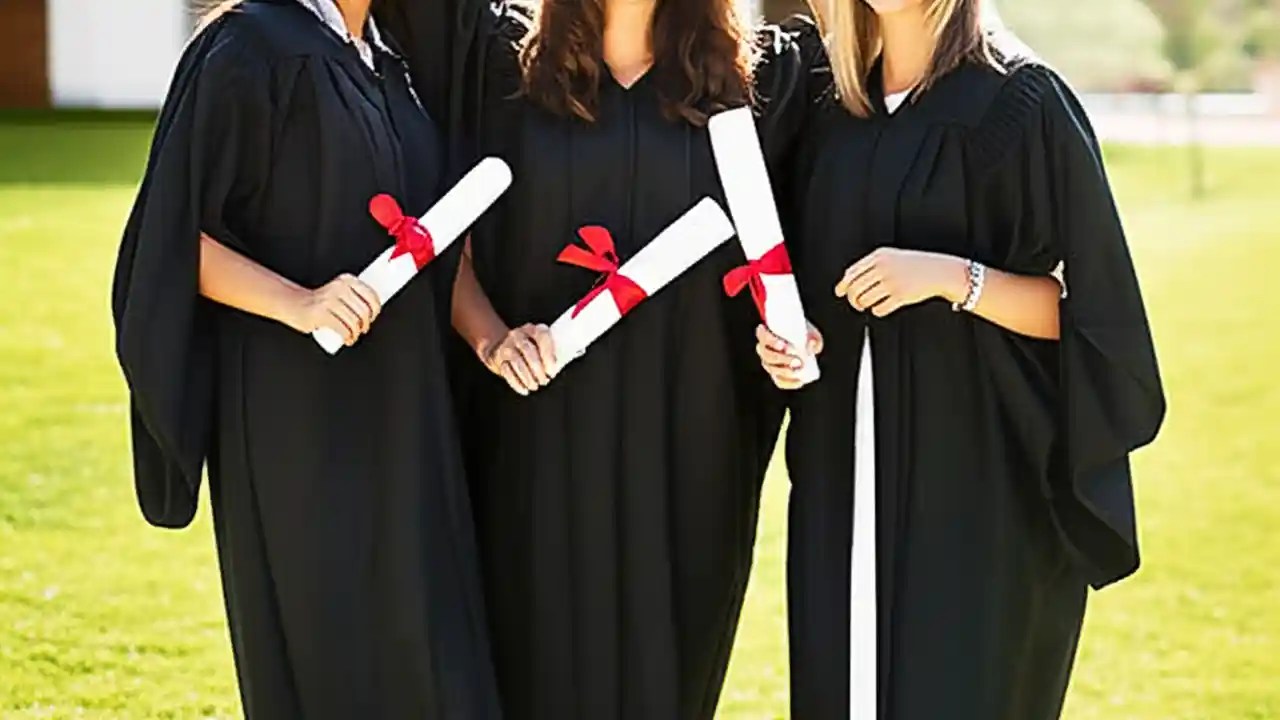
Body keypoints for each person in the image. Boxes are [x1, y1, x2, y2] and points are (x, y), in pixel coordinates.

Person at [376, 0, 814, 716]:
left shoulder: (760, 83)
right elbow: (442, 231)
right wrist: (489, 337)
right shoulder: (504, 70)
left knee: (667, 676)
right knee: (534, 666)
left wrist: (799, 332)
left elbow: (805, 239)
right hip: (538, 436)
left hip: (688, 437)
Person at [756, 1, 1166, 718]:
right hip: (842, 482)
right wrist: (790, 345)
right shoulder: (827, 110)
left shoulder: (1019, 103)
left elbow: (1098, 323)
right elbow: (797, 280)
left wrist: (953, 278)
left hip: (979, 491)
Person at [111, 1, 500, 716]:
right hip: (300, 417)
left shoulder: (389, 61)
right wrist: (299, 302)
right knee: (332, 656)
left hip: (401, 410)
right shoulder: (252, 46)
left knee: (427, 653)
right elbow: (167, 240)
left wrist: (492, 337)